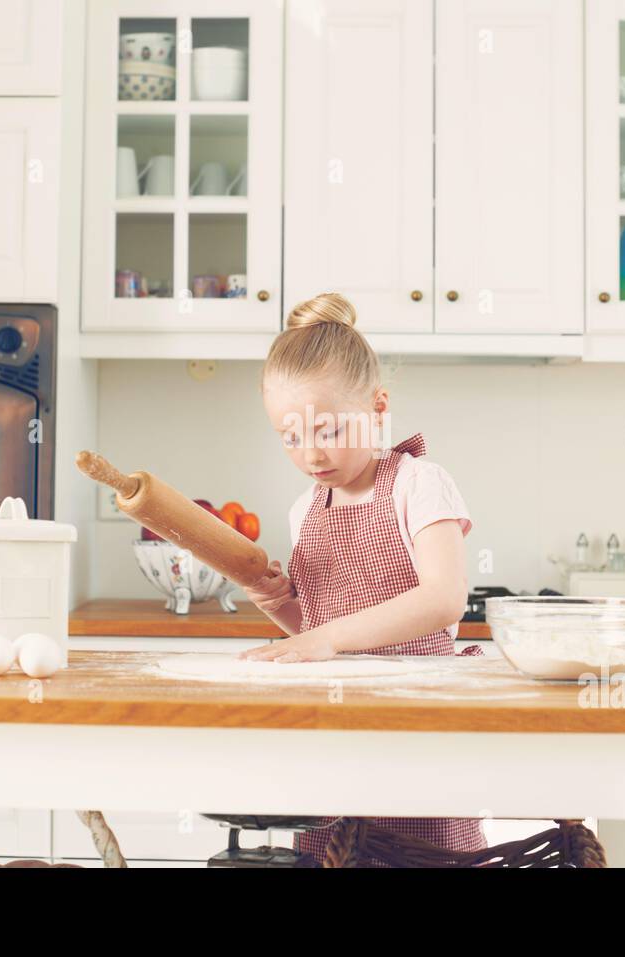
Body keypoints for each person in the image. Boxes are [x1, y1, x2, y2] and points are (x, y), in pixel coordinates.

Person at [240, 291, 486, 864]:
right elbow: (321, 625)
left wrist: (325, 637)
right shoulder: (307, 509)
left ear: (379, 408)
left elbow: (445, 598)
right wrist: (279, 606)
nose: (309, 454)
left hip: (418, 722)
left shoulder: (418, 484)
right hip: (333, 729)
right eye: (290, 436)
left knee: (419, 852)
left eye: (326, 430)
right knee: (335, 852)